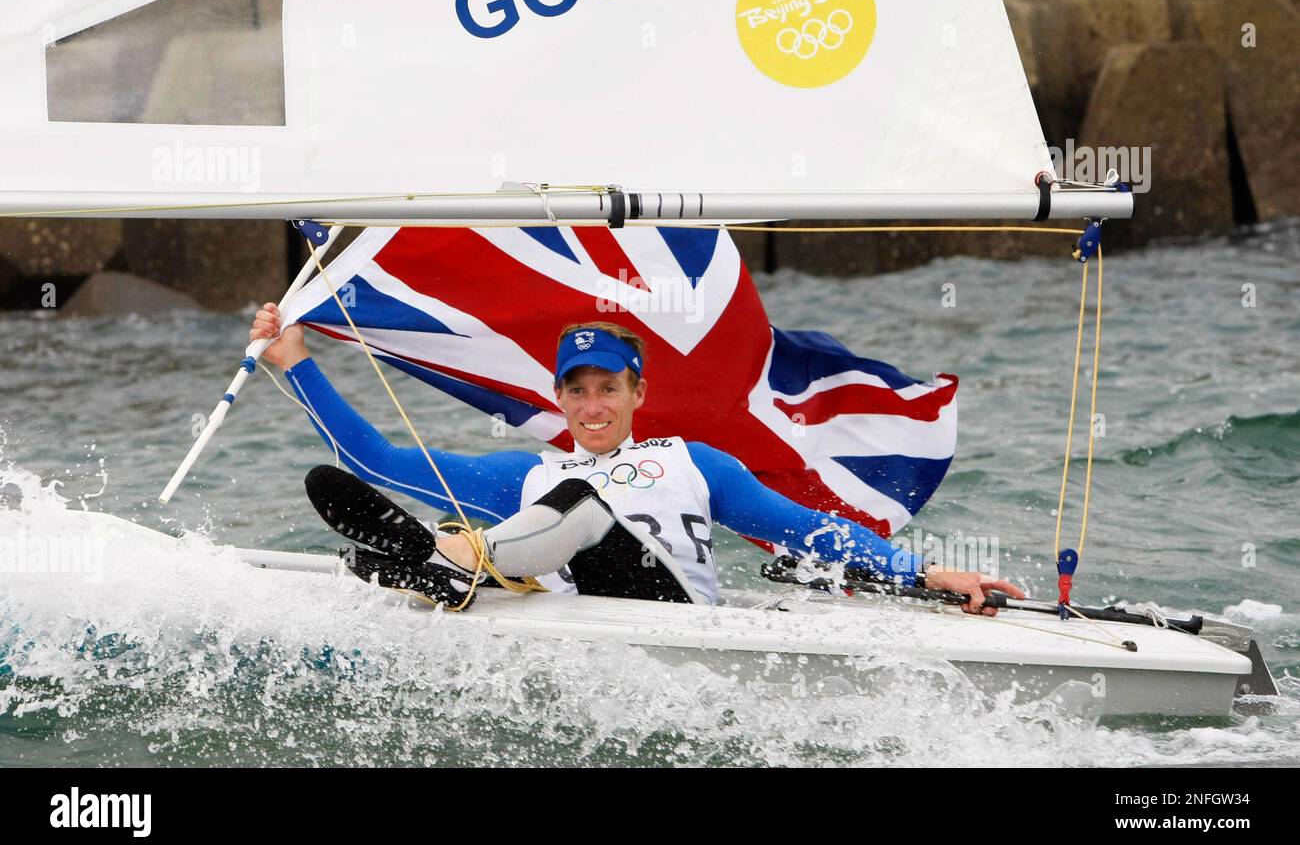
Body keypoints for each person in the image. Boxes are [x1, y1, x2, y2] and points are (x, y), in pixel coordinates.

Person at [250, 302, 1025, 613]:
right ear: (558, 396)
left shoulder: (694, 462)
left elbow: (808, 531)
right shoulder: (529, 470)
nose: (592, 406)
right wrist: (296, 363)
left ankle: (454, 561)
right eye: (577, 390)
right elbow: (380, 463)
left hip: (671, 615)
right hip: (576, 620)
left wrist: (925, 572)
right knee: (548, 500)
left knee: (584, 510)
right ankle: (451, 562)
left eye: (608, 389)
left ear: (636, 393)